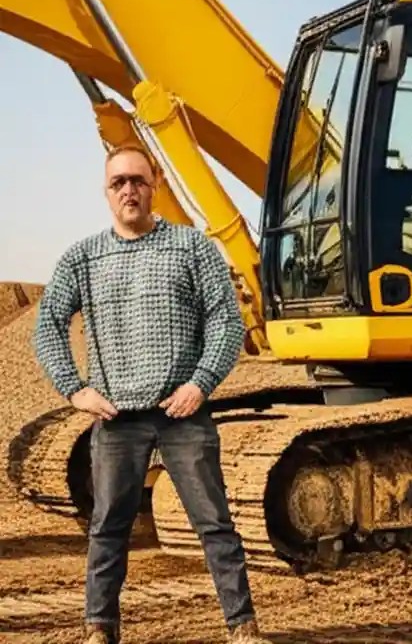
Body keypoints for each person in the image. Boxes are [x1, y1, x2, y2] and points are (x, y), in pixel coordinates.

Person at [32, 145, 271, 644]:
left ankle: (242, 629)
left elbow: (227, 322)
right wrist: (75, 390)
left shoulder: (193, 247)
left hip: (181, 412)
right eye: (118, 182)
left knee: (214, 524)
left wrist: (200, 383)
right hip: (117, 418)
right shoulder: (82, 258)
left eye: (137, 180)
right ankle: (100, 629)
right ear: (106, 191)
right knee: (107, 528)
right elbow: (48, 324)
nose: (128, 190)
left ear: (155, 183)